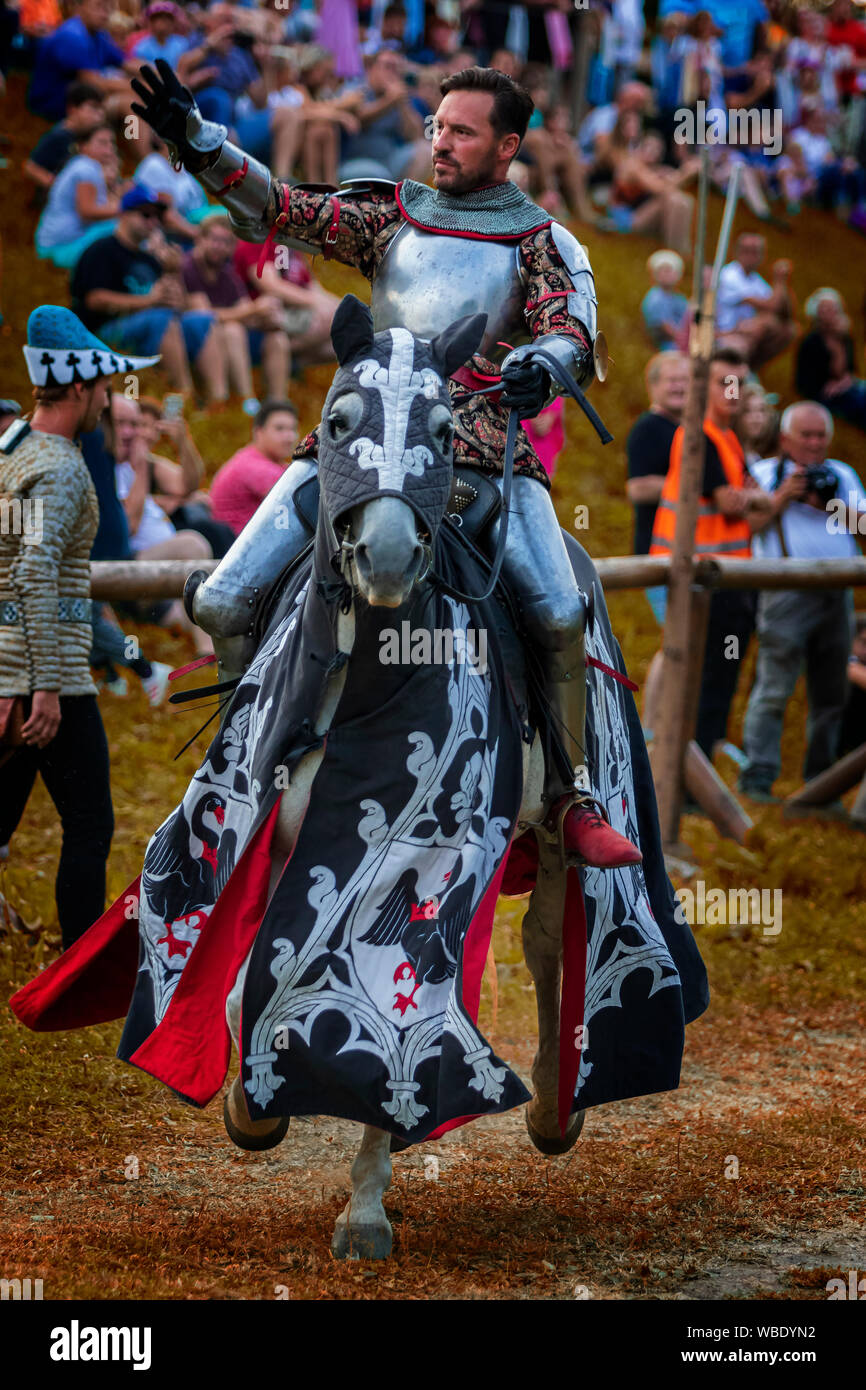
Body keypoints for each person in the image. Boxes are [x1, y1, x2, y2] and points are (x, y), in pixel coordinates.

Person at [131, 58, 643, 869]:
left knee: (556, 613)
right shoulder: (395, 216)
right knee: (225, 597)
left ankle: (568, 792)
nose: (440, 143)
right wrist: (200, 144)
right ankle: (234, 760)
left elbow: (574, 331)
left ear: (507, 146)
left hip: (478, 451)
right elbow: (288, 210)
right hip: (361, 447)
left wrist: (542, 362)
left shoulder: (543, 239)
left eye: (462, 131)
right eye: (437, 126)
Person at [0, 305, 159, 947]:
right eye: (102, 391)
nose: (105, 405)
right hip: (54, 675)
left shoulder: (10, 451)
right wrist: (38, 687)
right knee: (90, 824)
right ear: (79, 386)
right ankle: (76, 971)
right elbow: (34, 573)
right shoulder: (61, 468)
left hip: (17, 664)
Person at [739, 402, 866, 800]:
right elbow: (748, 525)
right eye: (805, 435)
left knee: (831, 693)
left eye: (819, 436)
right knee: (774, 686)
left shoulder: (841, 474)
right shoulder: (762, 473)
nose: (813, 444)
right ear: (785, 438)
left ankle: (820, 784)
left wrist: (825, 503)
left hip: (837, 591)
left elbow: (863, 525)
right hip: (785, 591)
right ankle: (758, 777)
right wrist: (783, 497)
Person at [650, 349, 771, 759]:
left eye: (739, 383)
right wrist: (754, 500)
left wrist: (751, 500)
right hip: (701, 579)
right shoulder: (699, 435)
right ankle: (684, 770)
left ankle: (699, 758)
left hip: (725, 577)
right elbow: (731, 502)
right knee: (701, 676)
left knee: (719, 674)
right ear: (704, 389)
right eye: (724, 383)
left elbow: (748, 500)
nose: (733, 392)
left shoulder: (727, 437)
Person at [71, 186, 227, 401]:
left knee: (202, 321)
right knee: (160, 318)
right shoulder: (102, 249)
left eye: (157, 216)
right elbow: (94, 300)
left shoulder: (150, 258)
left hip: (152, 327)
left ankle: (220, 400)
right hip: (104, 333)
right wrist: (149, 301)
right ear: (124, 214)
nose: (152, 221)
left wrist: (174, 271)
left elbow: (178, 307)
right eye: (145, 214)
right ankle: (185, 395)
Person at [110, 394, 213, 656]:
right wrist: (141, 466)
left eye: (136, 425)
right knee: (193, 544)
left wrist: (183, 442)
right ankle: (208, 652)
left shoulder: (143, 462)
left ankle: (216, 658)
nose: (133, 434)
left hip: (160, 581)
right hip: (125, 571)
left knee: (190, 617)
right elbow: (128, 526)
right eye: (123, 424)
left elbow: (188, 484)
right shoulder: (109, 466)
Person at [181, 213, 289, 406]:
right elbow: (203, 314)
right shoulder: (188, 266)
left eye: (225, 242)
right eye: (214, 239)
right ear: (200, 239)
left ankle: (277, 405)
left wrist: (265, 317)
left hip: (226, 337)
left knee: (276, 338)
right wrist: (254, 309)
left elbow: (245, 309)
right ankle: (246, 401)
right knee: (233, 330)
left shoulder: (228, 274)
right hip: (194, 337)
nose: (219, 246)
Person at [28, 0, 148, 154]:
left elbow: (126, 62)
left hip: (85, 102)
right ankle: (143, 157)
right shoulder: (72, 35)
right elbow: (94, 83)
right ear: (79, 6)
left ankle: (141, 151)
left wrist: (159, 76)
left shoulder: (97, 34)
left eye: (109, 8)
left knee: (135, 97)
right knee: (130, 103)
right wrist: (144, 87)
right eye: (99, 6)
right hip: (59, 107)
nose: (105, 13)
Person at [626, 351, 691, 620]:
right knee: (678, 639)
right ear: (653, 386)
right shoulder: (648, 428)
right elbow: (638, 489)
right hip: (658, 551)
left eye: (685, 380)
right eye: (672, 380)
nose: (679, 386)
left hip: (687, 551)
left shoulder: (690, 428)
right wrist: (692, 488)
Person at [137, 395, 235, 557]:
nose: (148, 433)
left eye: (154, 428)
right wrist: (164, 502)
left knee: (218, 531)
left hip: (161, 532)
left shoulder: (150, 463)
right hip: (140, 543)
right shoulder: (115, 460)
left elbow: (188, 484)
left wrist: (183, 442)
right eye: (141, 425)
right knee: (210, 535)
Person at [35, 122, 123, 270]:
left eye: (111, 143)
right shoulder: (86, 167)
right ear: (83, 146)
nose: (109, 149)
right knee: (121, 229)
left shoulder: (81, 165)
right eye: (102, 143)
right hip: (59, 249)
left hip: (53, 245)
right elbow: (87, 212)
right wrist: (126, 208)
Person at [209, 400, 299, 536]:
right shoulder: (255, 467)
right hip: (239, 549)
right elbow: (302, 503)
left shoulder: (253, 458)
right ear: (259, 432)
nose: (289, 437)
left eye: (293, 429)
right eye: (280, 429)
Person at [716, 232, 797, 369]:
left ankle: (751, 368)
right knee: (762, 324)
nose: (751, 256)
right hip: (723, 330)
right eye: (746, 250)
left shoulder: (756, 280)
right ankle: (740, 369)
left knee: (788, 329)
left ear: (762, 255)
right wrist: (778, 280)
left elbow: (785, 312)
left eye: (755, 252)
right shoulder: (729, 274)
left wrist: (783, 284)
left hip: (744, 330)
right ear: (736, 252)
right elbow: (772, 306)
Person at [795, 287, 866, 432]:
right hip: (824, 394)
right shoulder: (812, 342)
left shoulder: (844, 336)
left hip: (845, 385)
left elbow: (851, 369)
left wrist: (845, 381)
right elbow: (807, 383)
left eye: (833, 308)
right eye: (824, 309)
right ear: (816, 314)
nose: (829, 313)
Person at [23, 81, 105, 194]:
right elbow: (31, 167)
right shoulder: (59, 136)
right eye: (93, 108)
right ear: (73, 109)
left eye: (101, 109)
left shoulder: (86, 137)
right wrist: (60, 187)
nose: (99, 115)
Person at [641, 250, 689, 350]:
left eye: (669, 270)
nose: (666, 274)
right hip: (669, 348)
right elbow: (665, 327)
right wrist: (685, 340)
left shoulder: (679, 298)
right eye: (662, 271)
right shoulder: (654, 298)